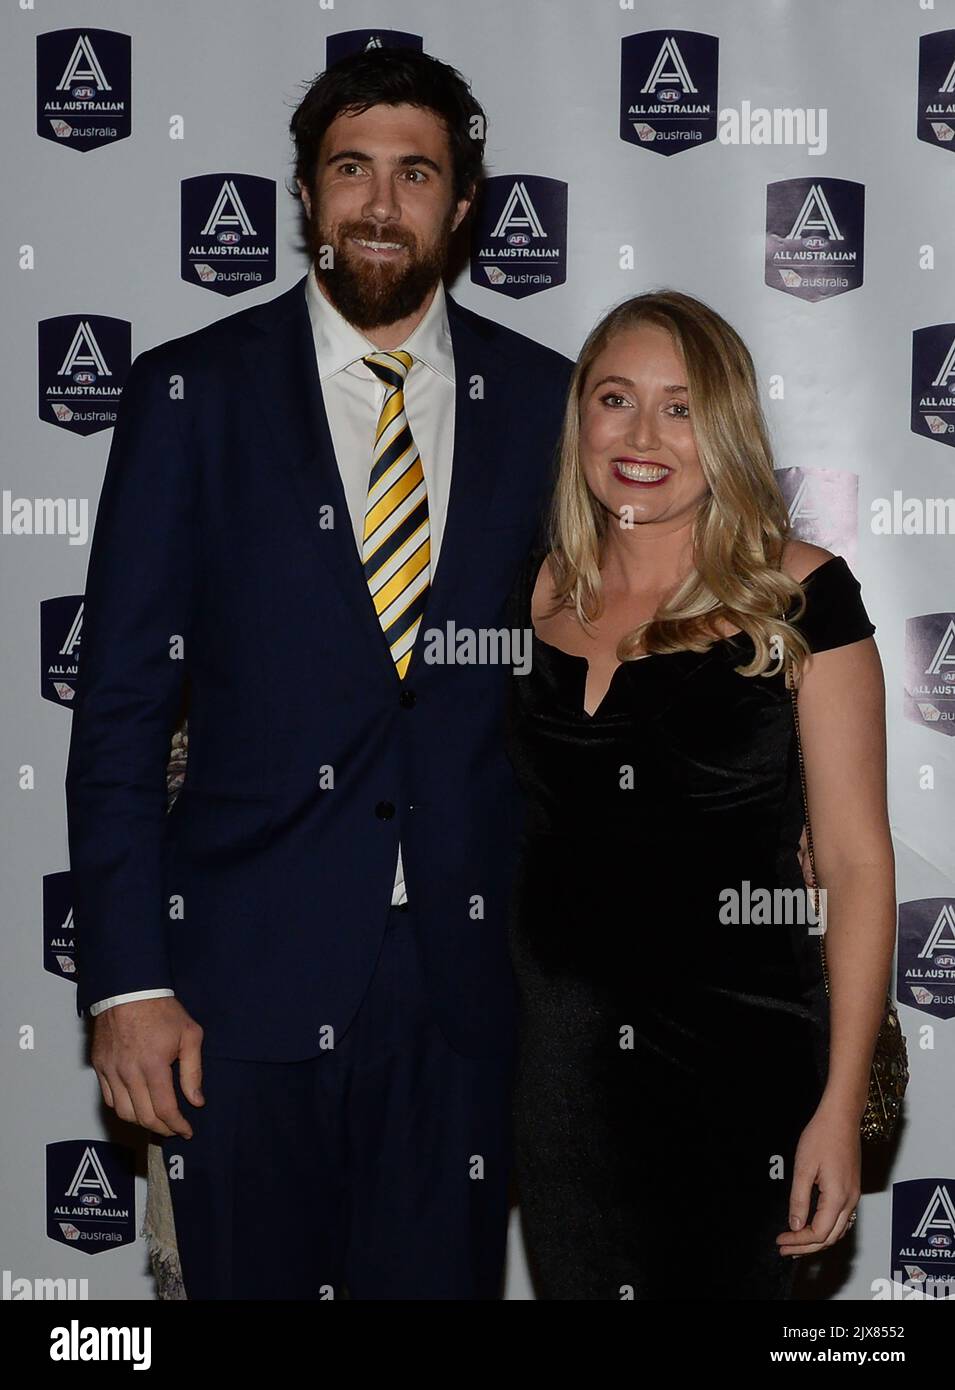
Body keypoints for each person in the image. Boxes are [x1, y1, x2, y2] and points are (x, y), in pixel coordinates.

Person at [65, 45, 573, 1300]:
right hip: (234, 987)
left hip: (463, 998)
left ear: (462, 207)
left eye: (416, 174)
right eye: (351, 169)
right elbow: (122, 708)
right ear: (304, 194)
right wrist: (128, 978)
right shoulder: (191, 393)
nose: (380, 204)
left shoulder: (550, 402)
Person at [503, 291, 897, 1300]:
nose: (642, 436)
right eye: (615, 399)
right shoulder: (530, 594)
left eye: (680, 408)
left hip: (744, 1075)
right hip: (560, 1080)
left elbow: (853, 864)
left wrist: (838, 1107)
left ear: (723, 429)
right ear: (579, 417)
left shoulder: (802, 595)